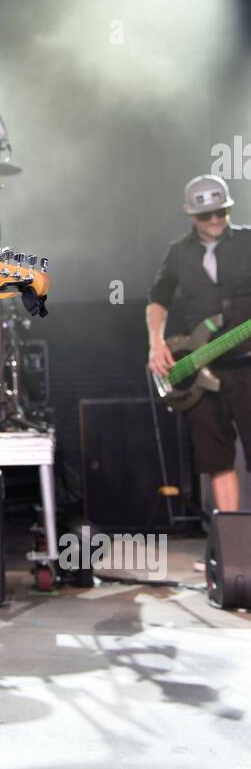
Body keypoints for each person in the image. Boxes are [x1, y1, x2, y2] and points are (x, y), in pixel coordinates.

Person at [146, 173, 251, 515]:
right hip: (202, 372)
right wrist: (155, 342)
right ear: (191, 214)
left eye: (222, 212)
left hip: (247, 365)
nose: (216, 220)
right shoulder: (178, 253)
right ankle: (231, 547)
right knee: (218, 461)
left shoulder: (248, 241)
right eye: (207, 215)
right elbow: (158, 299)